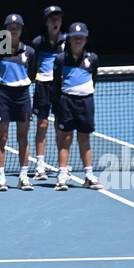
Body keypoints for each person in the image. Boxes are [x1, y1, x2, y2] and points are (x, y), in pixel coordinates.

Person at [53, 22, 103, 191]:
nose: (78, 40)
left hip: (86, 102)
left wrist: (86, 93)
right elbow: (56, 82)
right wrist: (58, 105)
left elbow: (94, 78)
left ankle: (88, 175)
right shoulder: (61, 59)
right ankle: (62, 175)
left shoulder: (92, 58)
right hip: (67, 101)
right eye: (75, 38)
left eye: (81, 38)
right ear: (70, 39)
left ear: (85, 39)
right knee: (65, 138)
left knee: (84, 139)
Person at [0, 14, 35, 192]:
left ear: (22, 29)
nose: (14, 29)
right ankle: (1, 177)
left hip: (23, 95)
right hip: (4, 96)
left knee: (22, 137)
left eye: (17, 26)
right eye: (10, 26)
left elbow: (31, 74)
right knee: (2, 137)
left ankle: (23, 176)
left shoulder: (29, 52)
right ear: (6, 30)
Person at [30, 5, 65, 181]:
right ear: (46, 22)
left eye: (57, 18)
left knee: (60, 126)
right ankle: (40, 165)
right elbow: (32, 63)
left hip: (60, 87)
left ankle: (62, 165)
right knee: (42, 125)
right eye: (52, 18)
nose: (55, 21)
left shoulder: (67, 41)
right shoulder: (37, 42)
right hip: (43, 85)